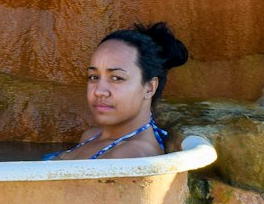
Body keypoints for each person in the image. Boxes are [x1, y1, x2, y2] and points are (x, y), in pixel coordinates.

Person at [45, 22, 189, 160]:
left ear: (149, 87)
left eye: (116, 78)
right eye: (94, 77)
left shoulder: (133, 154)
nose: (99, 91)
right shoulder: (91, 136)